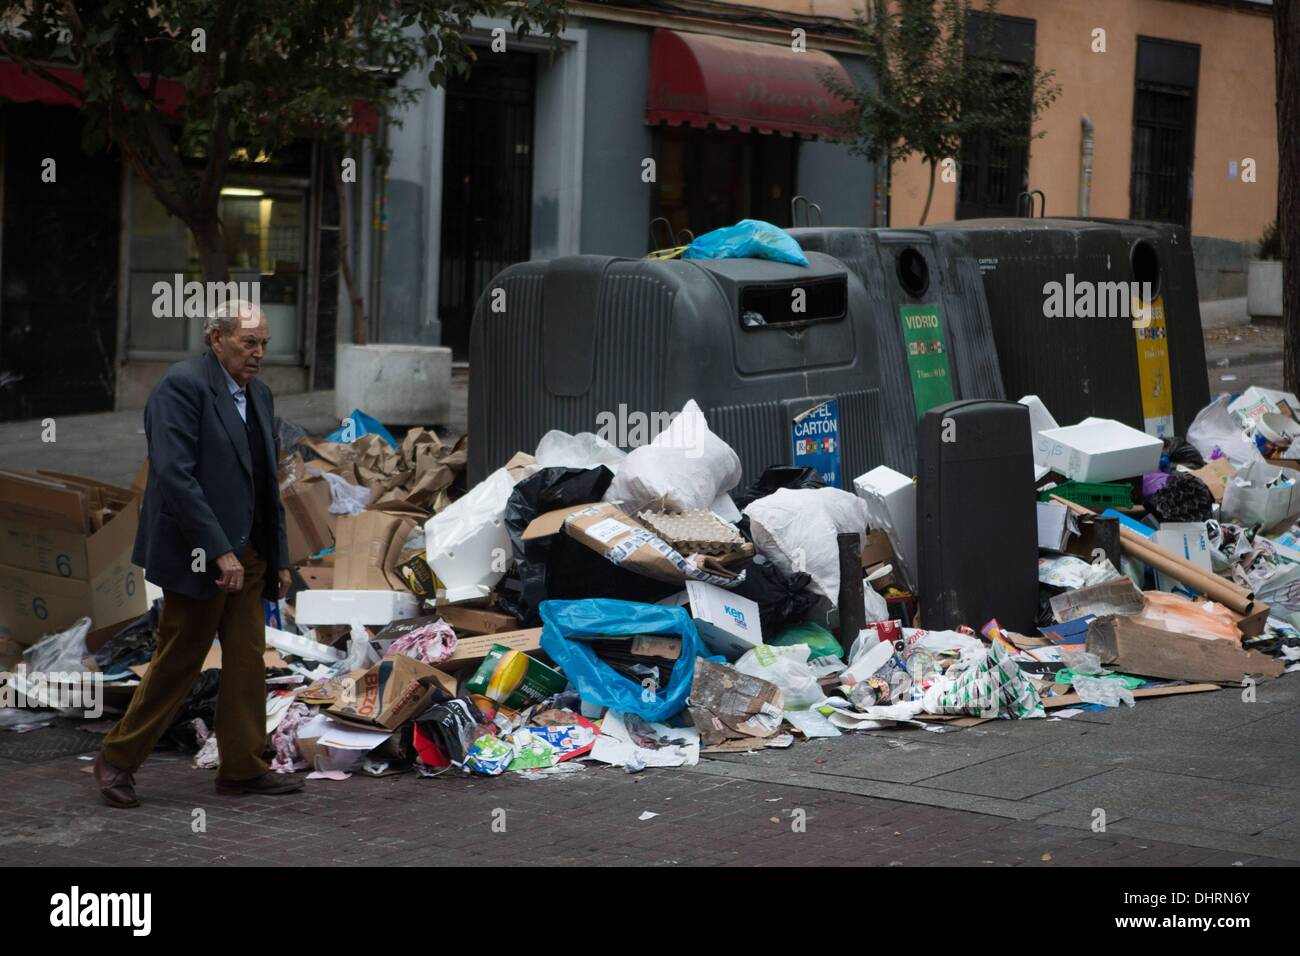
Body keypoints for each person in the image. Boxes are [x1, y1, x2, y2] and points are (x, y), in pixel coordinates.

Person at [92, 299, 304, 807]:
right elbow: (174, 474)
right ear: (217, 339)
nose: (259, 354)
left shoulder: (261, 395)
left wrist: (278, 559)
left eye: (264, 345)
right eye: (248, 343)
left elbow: (264, 484)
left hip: (249, 554)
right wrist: (215, 550)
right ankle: (116, 760)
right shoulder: (182, 386)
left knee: (249, 661)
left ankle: (242, 768)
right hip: (199, 554)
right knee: (179, 661)